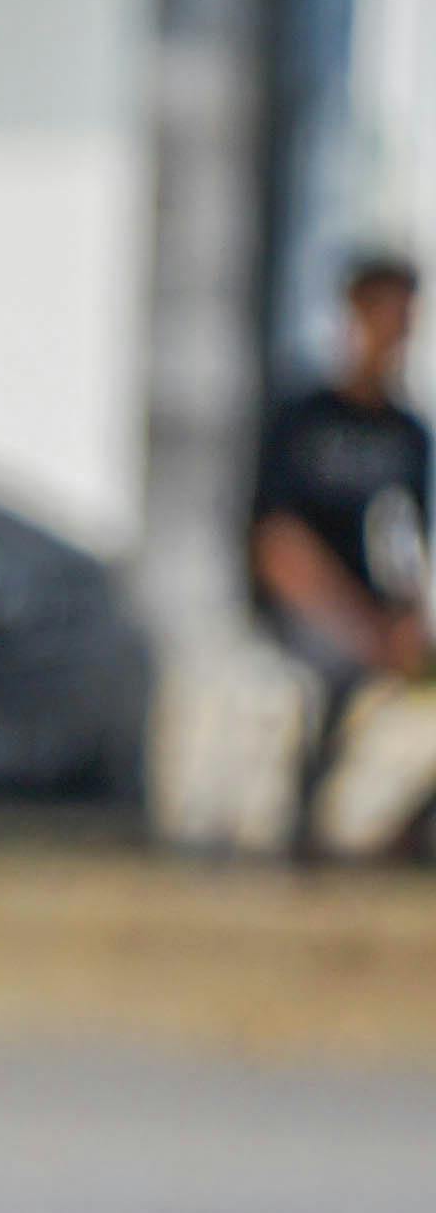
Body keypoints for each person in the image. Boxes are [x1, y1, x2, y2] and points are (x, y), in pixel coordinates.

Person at [252, 251, 435, 858]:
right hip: (309, 613)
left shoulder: (406, 434)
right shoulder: (303, 421)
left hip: (373, 619)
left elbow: (408, 546)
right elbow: (279, 547)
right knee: (331, 674)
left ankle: (406, 838)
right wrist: (359, 627)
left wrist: (406, 623)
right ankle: (301, 836)